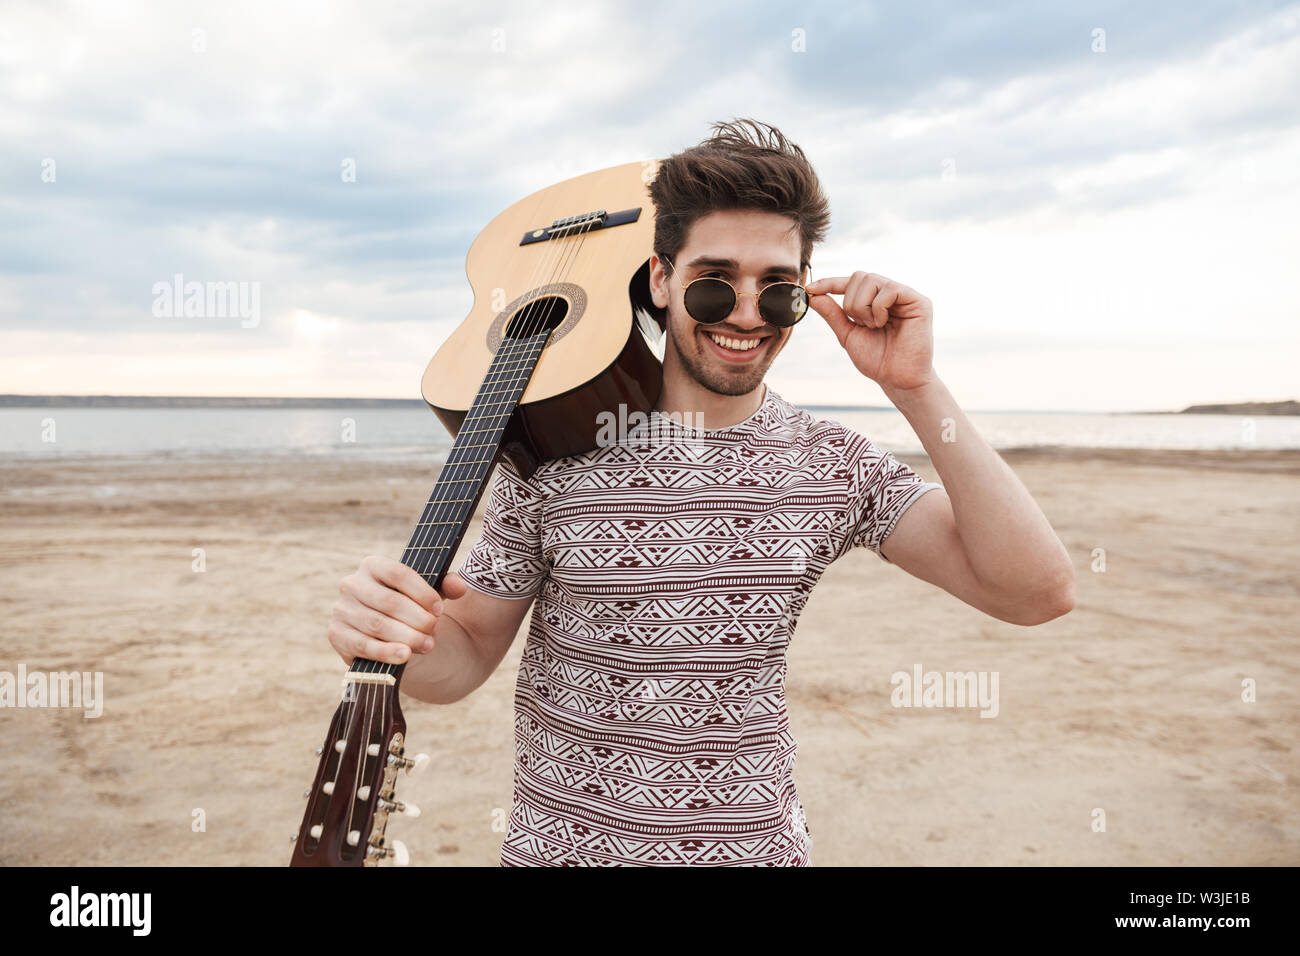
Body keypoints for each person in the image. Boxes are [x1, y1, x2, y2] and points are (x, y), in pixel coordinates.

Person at [326, 118, 1075, 866]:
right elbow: (462, 658)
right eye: (715, 283)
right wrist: (393, 638)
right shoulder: (555, 449)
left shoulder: (832, 463)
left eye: (778, 290)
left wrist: (915, 387)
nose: (748, 313)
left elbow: (1035, 592)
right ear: (661, 278)